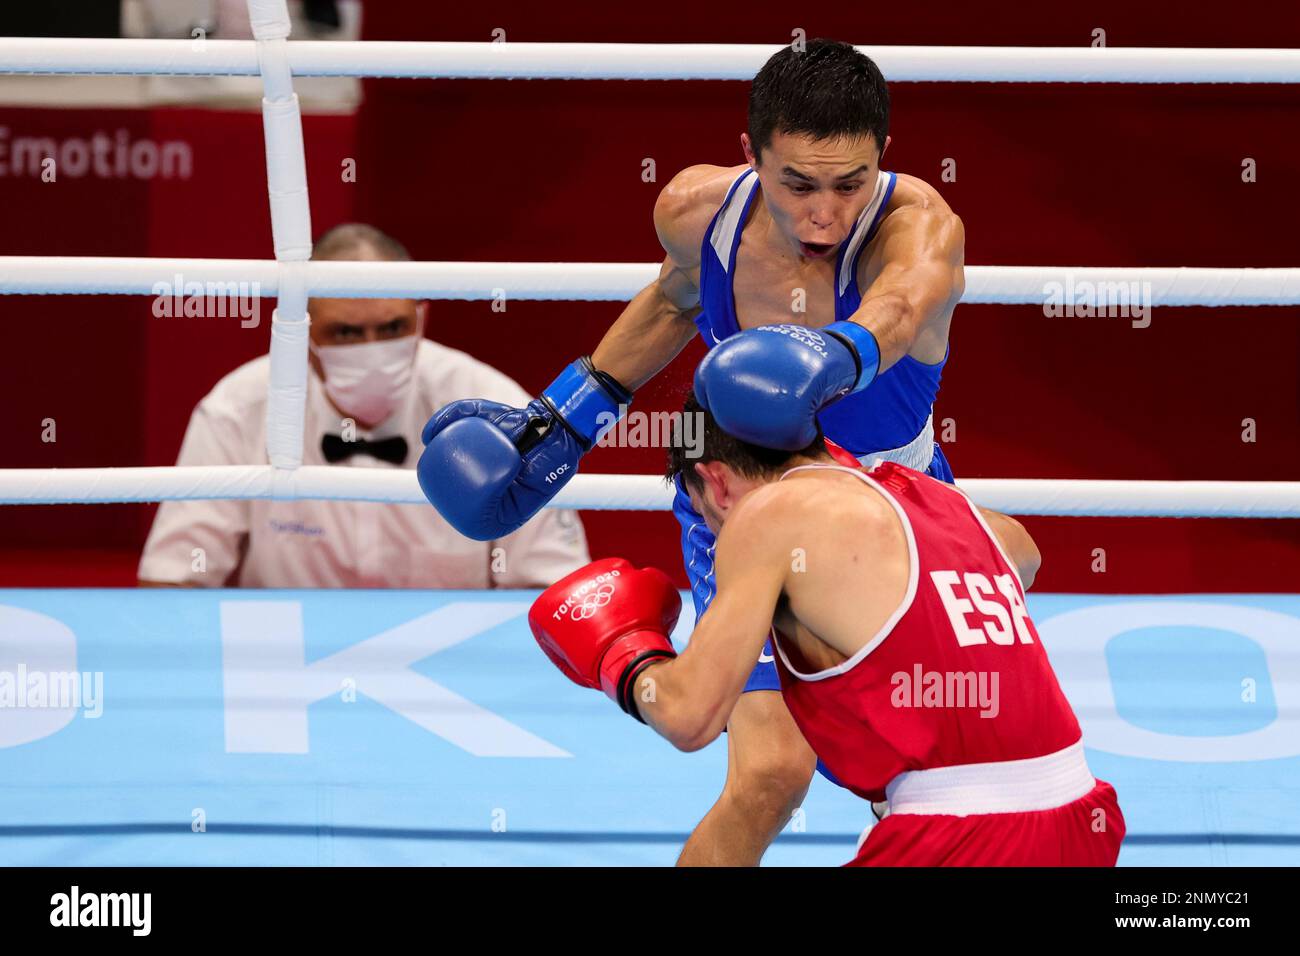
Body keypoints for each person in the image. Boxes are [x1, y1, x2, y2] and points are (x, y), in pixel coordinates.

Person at [418, 39, 964, 864]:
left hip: (893, 509)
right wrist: (559, 422)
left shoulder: (917, 227)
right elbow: (675, 299)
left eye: (849, 183)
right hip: (737, 501)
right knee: (772, 773)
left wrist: (833, 356)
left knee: (933, 769)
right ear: (751, 156)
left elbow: (898, 306)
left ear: (882, 157)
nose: (825, 213)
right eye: (798, 184)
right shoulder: (695, 211)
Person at [527, 396, 1125, 866]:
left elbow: (687, 716)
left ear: (714, 482)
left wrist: (624, 657)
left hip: (956, 838)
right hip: (1084, 817)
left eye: (706, 516)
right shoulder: (944, 504)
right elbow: (1026, 558)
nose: (714, 534)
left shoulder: (766, 518)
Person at [139, 223, 589, 588]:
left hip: (452, 668)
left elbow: (550, 584)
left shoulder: (498, 408)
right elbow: (174, 580)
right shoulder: (238, 410)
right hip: (283, 665)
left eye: (393, 327)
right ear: (301, 330)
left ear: (421, 318)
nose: (372, 351)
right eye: (346, 334)